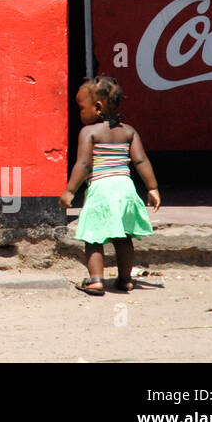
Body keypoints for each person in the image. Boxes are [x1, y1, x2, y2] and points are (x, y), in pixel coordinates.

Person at [60, 76, 161, 295]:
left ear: (97, 107)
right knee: (123, 237)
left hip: (101, 190)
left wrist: (70, 191)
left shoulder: (89, 133)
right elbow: (141, 161)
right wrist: (152, 188)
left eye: (81, 107)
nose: (79, 112)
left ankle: (96, 280)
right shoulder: (128, 131)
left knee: (94, 236)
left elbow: (84, 164)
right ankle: (125, 280)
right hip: (125, 189)